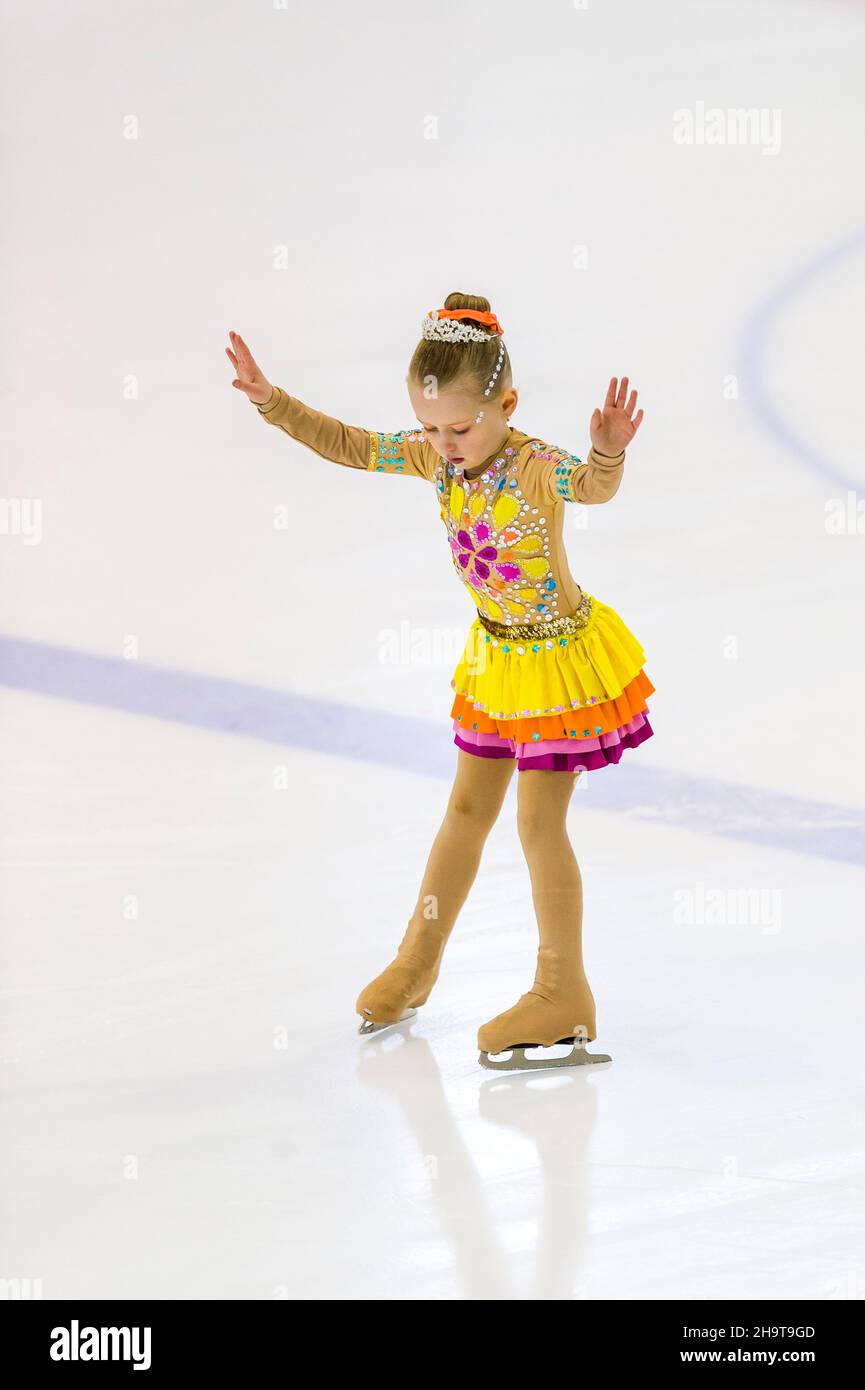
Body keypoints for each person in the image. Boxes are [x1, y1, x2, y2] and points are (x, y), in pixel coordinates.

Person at [225, 293, 653, 1070]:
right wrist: (271, 402)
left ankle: (561, 990)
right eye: (429, 428)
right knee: (463, 808)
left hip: (557, 665)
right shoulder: (429, 456)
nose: (443, 444)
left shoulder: (531, 466)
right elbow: (351, 445)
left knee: (536, 824)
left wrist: (607, 452)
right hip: (495, 659)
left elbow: (590, 490)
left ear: (505, 404)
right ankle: (416, 964)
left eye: (459, 428)